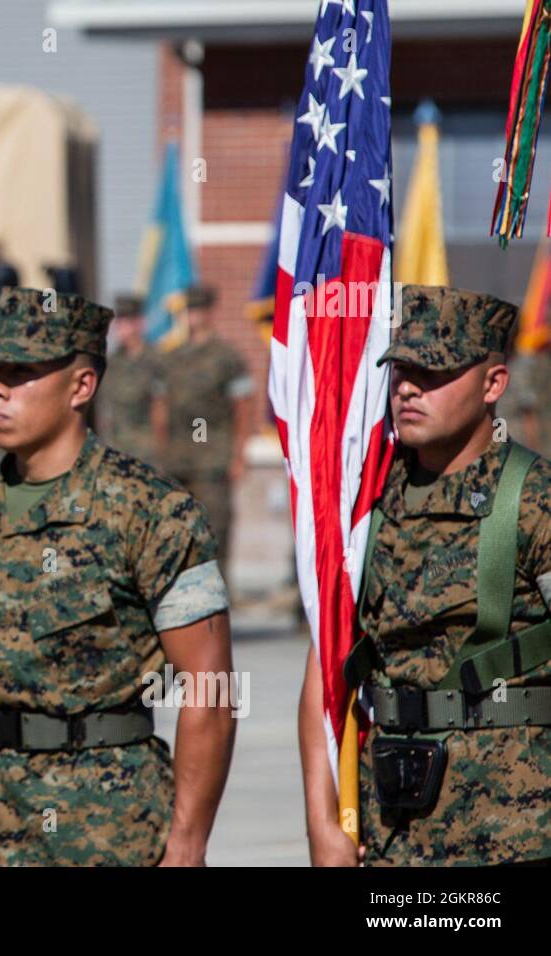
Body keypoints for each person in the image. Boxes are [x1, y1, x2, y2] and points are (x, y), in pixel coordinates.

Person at [0, 286, 236, 866]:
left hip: (107, 823)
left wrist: (188, 840)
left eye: (22, 372)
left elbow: (209, 686)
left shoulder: (151, 510)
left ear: (81, 385)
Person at [300, 284, 551, 867]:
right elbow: (325, 666)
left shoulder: (534, 501)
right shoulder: (367, 504)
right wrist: (324, 823)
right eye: (401, 371)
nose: (409, 388)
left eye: (433, 373)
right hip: (390, 836)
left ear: (493, 384)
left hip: (513, 834)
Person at [153, 285, 254, 577]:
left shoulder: (226, 356)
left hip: (213, 459)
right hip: (178, 460)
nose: (194, 317)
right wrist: (161, 451)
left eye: (199, 310)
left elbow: (243, 406)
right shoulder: (172, 357)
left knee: (214, 531)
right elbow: (160, 407)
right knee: (177, 532)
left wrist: (239, 455)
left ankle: (219, 598)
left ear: (209, 313)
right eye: (189, 311)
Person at [94, 293, 161, 464]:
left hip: (149, 456)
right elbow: (104, 408)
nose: (121, 327)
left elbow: (162, 411)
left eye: (127, 322)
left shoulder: (158, 361)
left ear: (140, 323)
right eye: (119, 322)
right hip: (116, 451)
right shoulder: (111, 362)